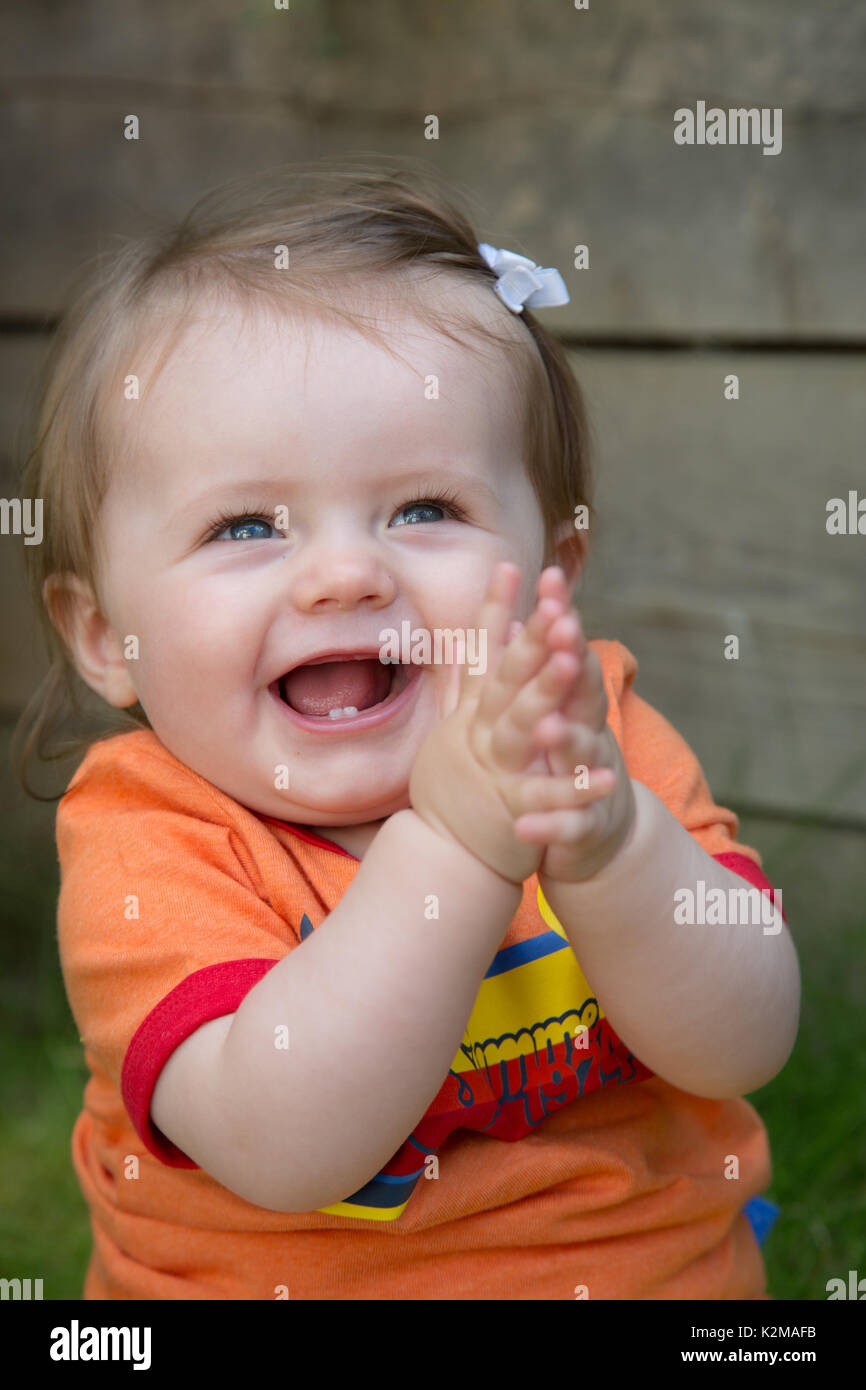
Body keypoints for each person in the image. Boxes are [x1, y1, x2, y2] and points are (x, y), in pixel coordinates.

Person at [14, 157, 798, 1300]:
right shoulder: (150, 840)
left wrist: (614, 847)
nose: (343, 573)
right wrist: (458, 846)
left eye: (425, 508)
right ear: (104, 635)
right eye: (244, 525)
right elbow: (284, 1144)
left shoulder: (591, 741)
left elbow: (741, 1043)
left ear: (549, 574)